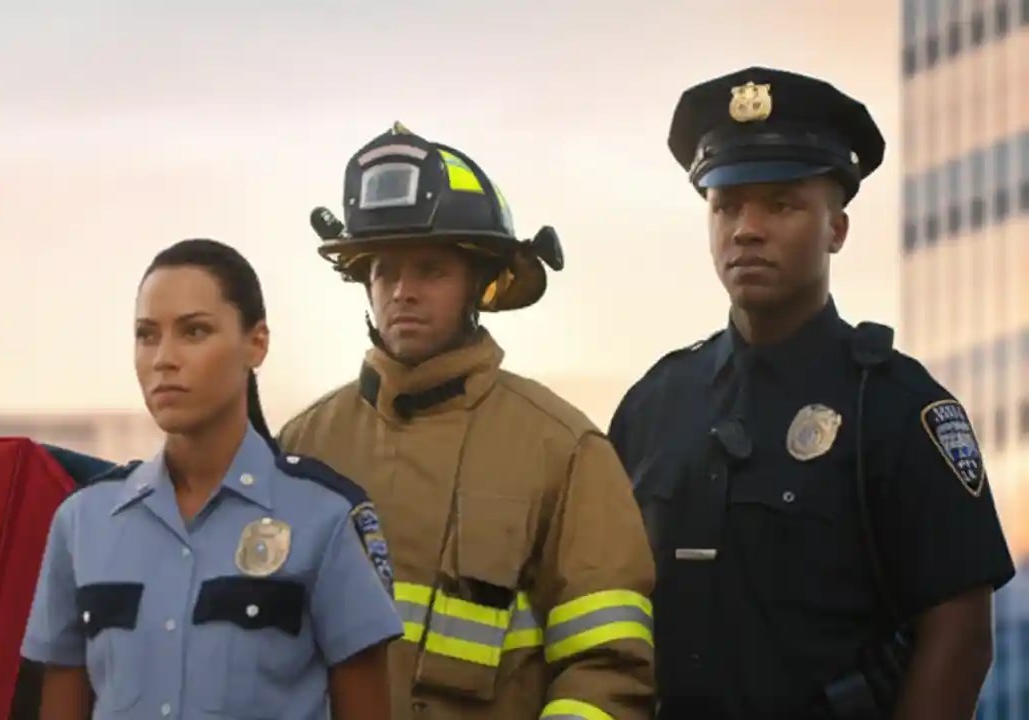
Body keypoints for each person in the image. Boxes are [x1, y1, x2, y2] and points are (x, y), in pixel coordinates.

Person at [608, 66, 1017, 720]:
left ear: (836, 230)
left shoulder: (896, 405)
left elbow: (960, 637)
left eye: (781, 204)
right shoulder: (654, 405)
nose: (747, 229)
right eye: (728, 205)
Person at [280, 122, 657, 720]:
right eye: (385, 270)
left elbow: (608, 669)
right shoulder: (304, 445)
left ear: (479, 284)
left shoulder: (563, 449)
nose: (403, 291)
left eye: (431, 270)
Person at [20, 238, 404, 720]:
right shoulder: (83, 522)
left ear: (256, 343)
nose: (164, 358)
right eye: (146, 335)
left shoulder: (323, 519)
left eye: (194, 332)